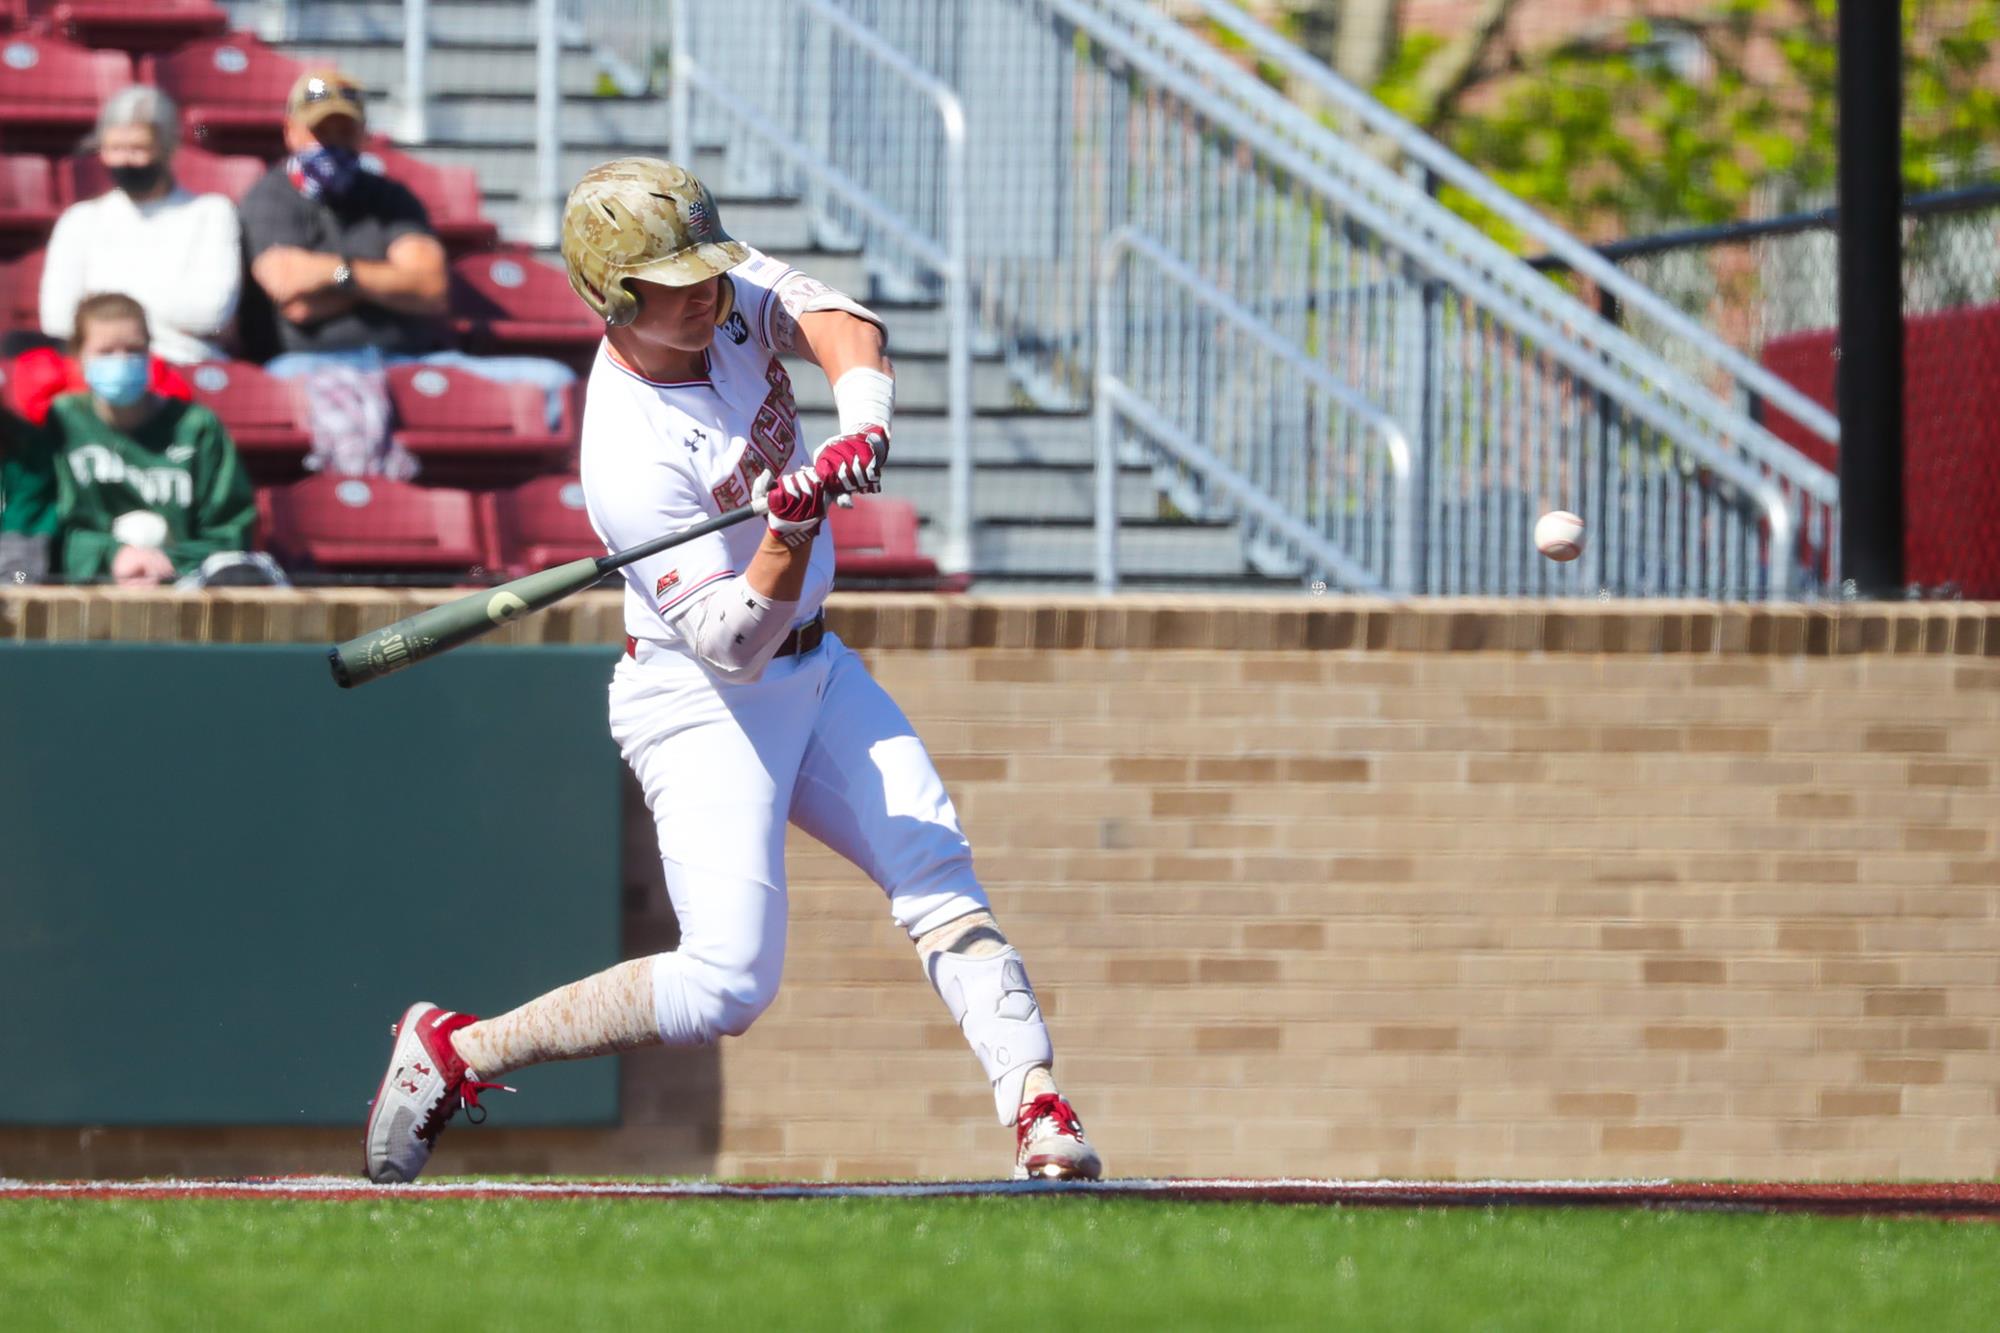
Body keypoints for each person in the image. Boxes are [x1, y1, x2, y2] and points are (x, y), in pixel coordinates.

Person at [363, 159, 1102, 1186]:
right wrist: (787, 532)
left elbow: (846, 325)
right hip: (700, 698)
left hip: (818, 667)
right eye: (677, 280)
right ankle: (458, 1050)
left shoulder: (720, 289)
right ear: (615, 294)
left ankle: (1035, 1105)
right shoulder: (625, 452)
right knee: (727, 987)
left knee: (933, 863)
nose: (709, 290)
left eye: (709, 267)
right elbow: (730, 636)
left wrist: (864, 423)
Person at [237, 69, 574, 411]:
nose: (333, 143)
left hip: (415, 360)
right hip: (312, 365)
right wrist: (386, 281)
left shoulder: (391, 197)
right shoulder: (271, 196)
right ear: (290, 132)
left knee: (553, 380)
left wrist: (340, 277)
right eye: (321, 131)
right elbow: (291, 296)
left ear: (363, 133)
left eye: (344, 130)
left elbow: (430, 289)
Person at [3, 293, 254, 586]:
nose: (121, 361)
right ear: (78, 357)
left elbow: (230, 531)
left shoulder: (197, 428)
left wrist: (171, 562)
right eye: (106, 351)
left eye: (134, 349)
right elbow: (49, 531)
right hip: (88, 591)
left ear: (150, 352)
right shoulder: (63, 422)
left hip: (185, 589)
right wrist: (113, 557)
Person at [39, 87, 242, 366]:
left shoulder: (211, 213)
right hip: (98, 367)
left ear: (168, 149)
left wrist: (104, 303)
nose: (126, 160)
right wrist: (167, 312)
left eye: (138, 148)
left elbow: (211, 312)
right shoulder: (79, 220)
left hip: (185, 362)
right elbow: (58, 319)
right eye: (115, 149)